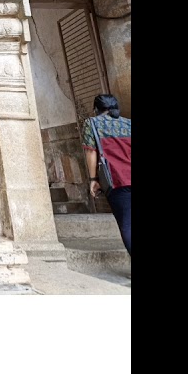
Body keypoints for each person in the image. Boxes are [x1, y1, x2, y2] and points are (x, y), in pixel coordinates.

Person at [83, 93, 131, 255]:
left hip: (117, 179)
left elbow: (91, 152)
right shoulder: (128, 123)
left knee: (127, 224)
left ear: (96, 109)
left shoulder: (92, 123)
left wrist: (93, 179)